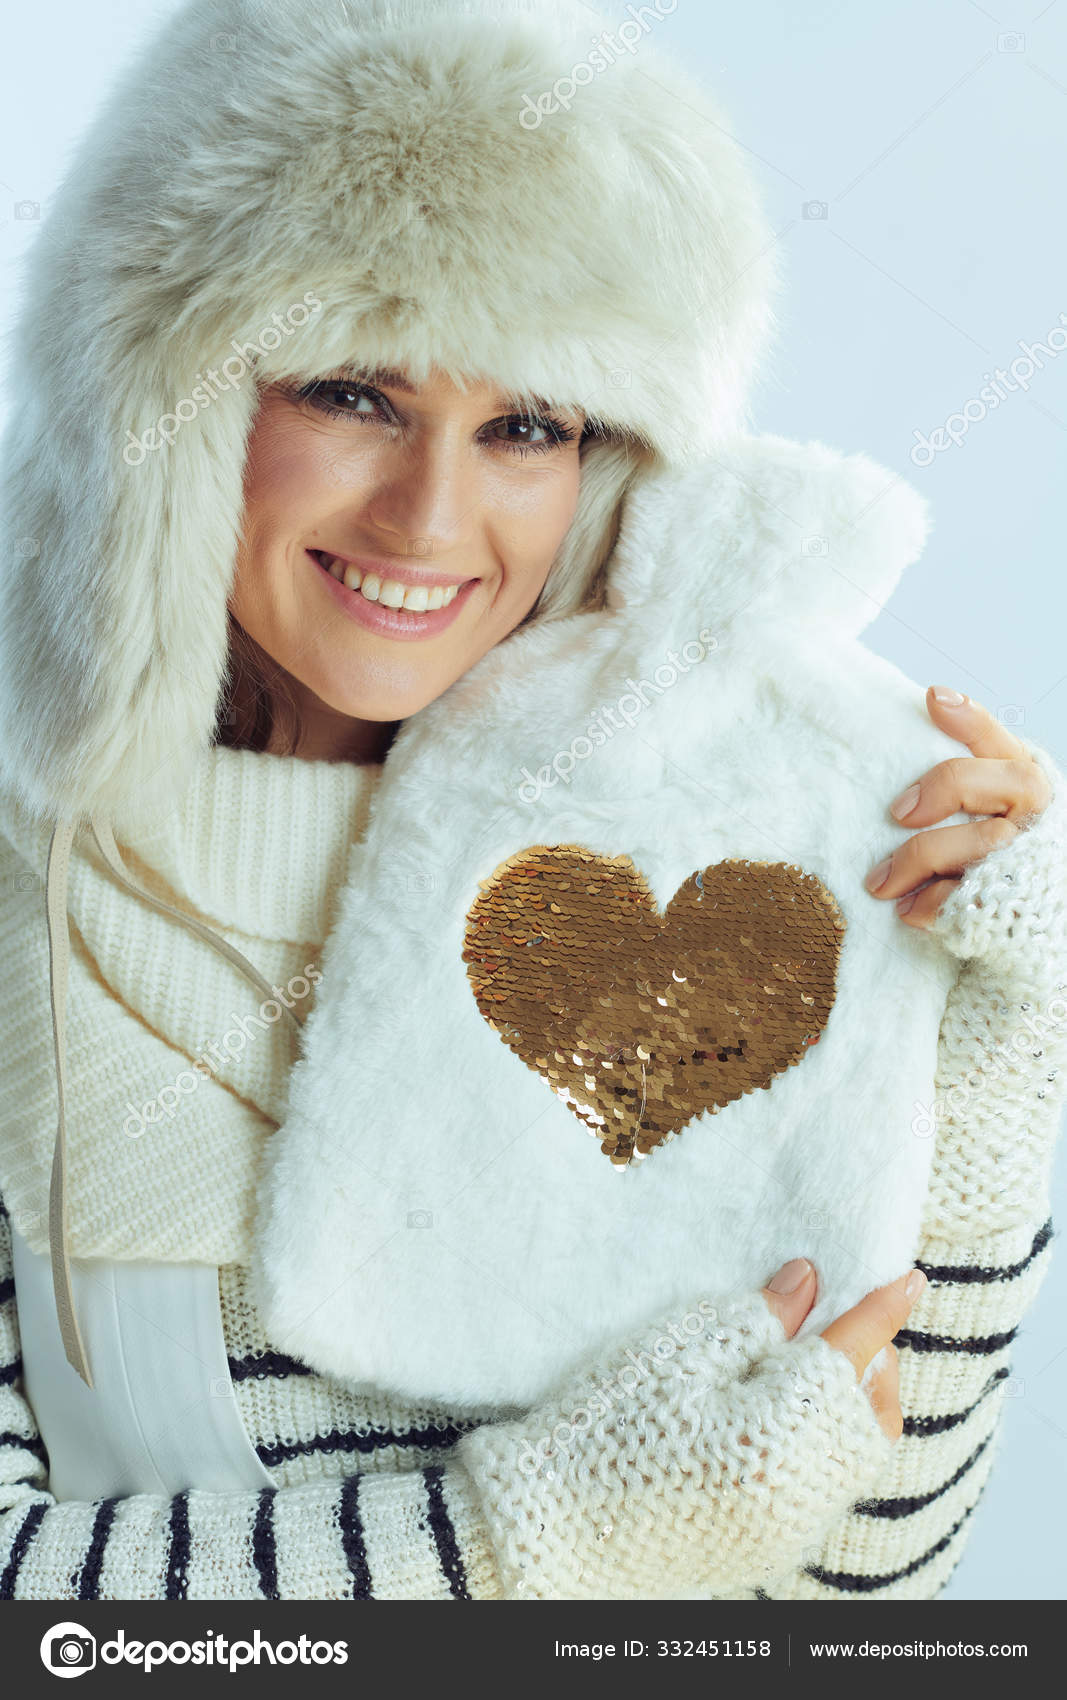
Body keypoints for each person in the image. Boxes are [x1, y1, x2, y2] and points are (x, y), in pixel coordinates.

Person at [0, 0, 1063, 1602]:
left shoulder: (730, 862)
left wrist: (986, 1043)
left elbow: (870, 1597)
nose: (431, 517)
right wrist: (513, 1549)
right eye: (352, 391)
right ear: (167, 396)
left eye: (526, 425)